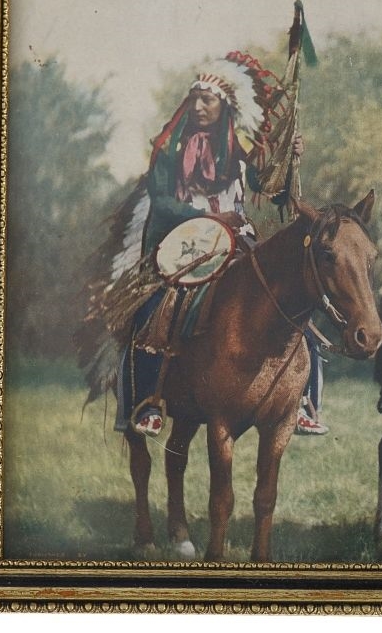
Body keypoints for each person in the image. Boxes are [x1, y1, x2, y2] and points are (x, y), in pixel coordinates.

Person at [123, 52, 329, 438]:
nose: (200, 106)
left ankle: (304, 402)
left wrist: (288, 159)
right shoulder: (168, 147)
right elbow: (161, 199)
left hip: (236, 239)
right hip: (183, 244)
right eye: (196, 98)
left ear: (224, 105)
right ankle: (146, 401)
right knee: (153, 311)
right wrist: (199, 219)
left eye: (208, 100)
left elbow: (267, 185)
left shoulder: (240, 145)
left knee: (292, 301)